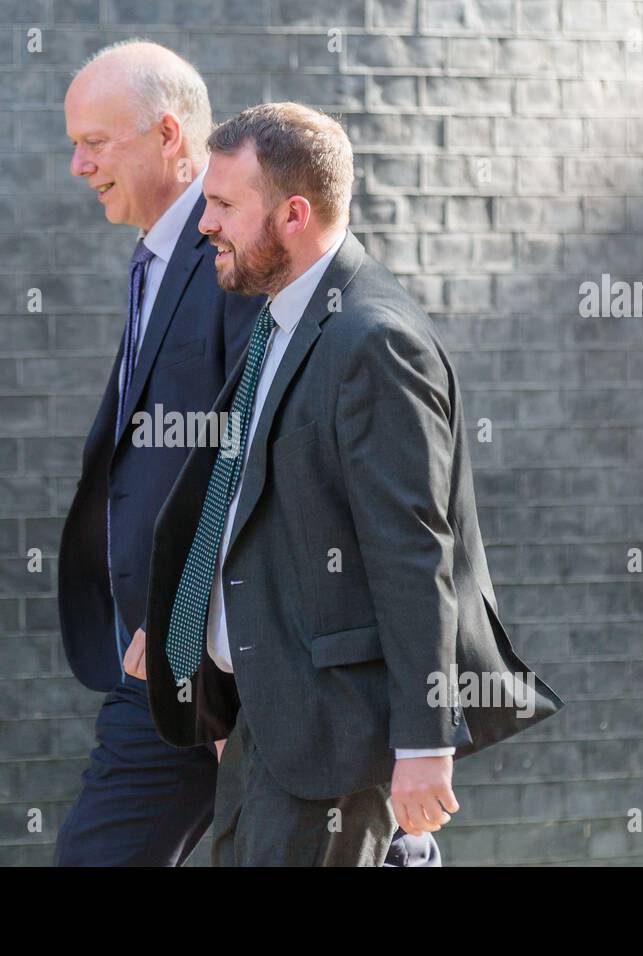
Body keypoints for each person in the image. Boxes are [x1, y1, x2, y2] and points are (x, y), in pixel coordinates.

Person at [130, 102, 565, 866]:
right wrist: (184, 627)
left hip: (334, 734)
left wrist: (425, 741)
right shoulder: (281, 324)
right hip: (267, 719)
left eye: (226, 205)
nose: (206, 225)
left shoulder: (375, 340)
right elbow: (242, 502)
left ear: (294, 213)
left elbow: (412, 549)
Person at [53, 40, 263, 866]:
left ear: (170, 135)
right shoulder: (154, 257)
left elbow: (255, 439)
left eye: (96, 143)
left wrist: (190, 603)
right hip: (153, 654)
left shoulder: (229, 256)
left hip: (208, 645)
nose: (77, 165)